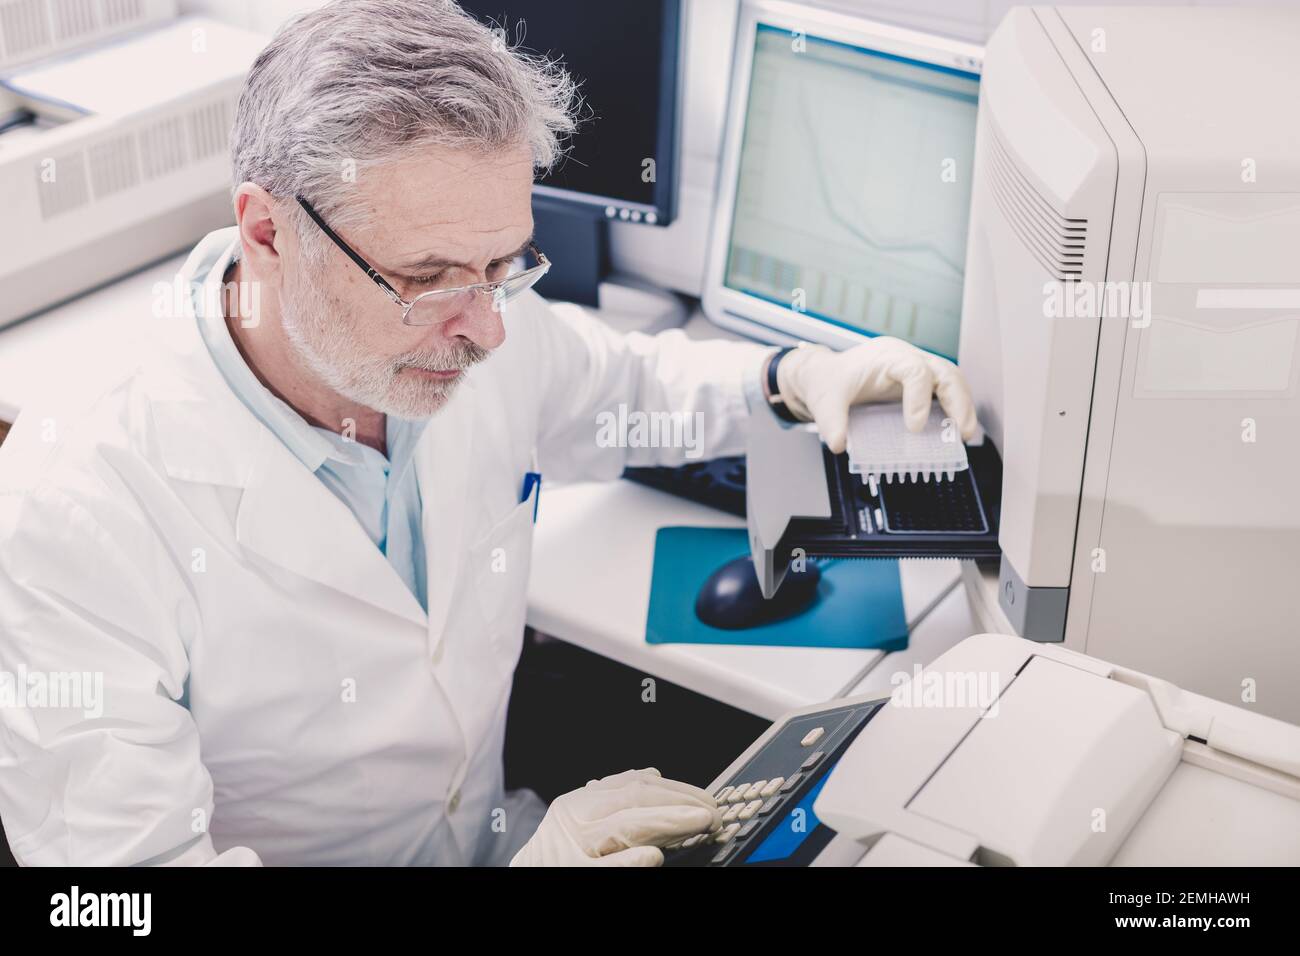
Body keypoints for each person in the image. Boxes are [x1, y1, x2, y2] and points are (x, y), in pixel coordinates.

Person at [0, 0, 976, 866]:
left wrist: (790, 375)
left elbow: (625, 384)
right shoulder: (73, 511)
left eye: (506, 261)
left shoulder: (467, 319)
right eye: (425, 276)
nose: (488, 327)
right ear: (266, 232)